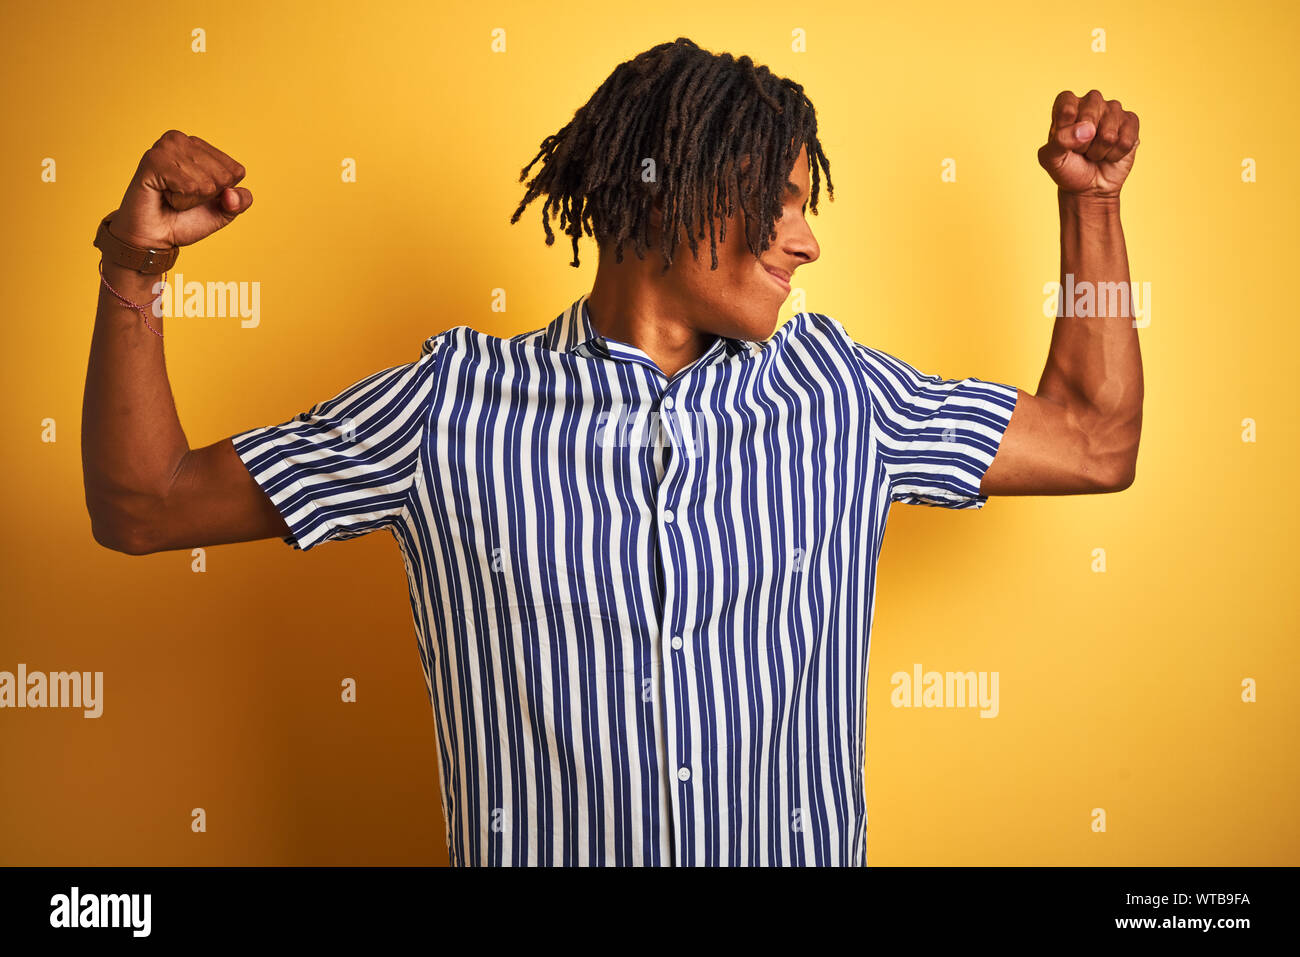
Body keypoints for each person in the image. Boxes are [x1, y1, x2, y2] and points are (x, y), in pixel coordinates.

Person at [82, 37, 1142, 866]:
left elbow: (1094, 441)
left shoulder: (837, 395)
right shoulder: (447, 410)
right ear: (656, 190)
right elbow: (146, 505)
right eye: (777, 201)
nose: (806, 240)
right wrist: (135, 265)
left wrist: (1090, 202)